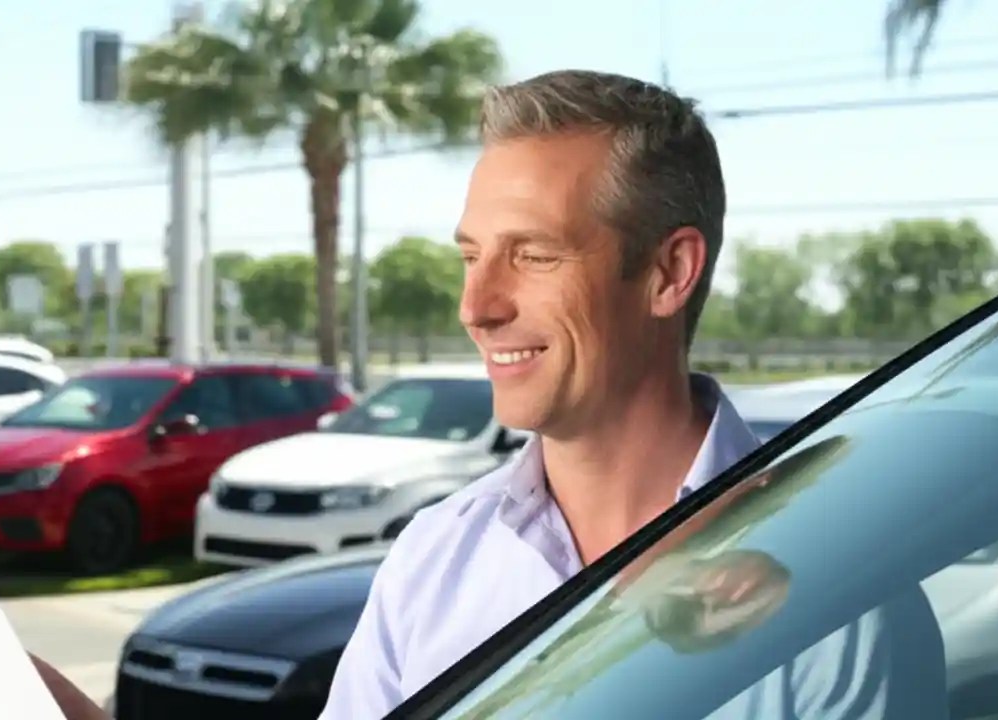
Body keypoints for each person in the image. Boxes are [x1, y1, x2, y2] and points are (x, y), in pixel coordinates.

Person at [318, 70, 944, 719]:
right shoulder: (432, 558)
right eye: (471, 257)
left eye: (533, 255)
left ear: (669, 272)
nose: (476, 308)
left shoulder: (843, 606)